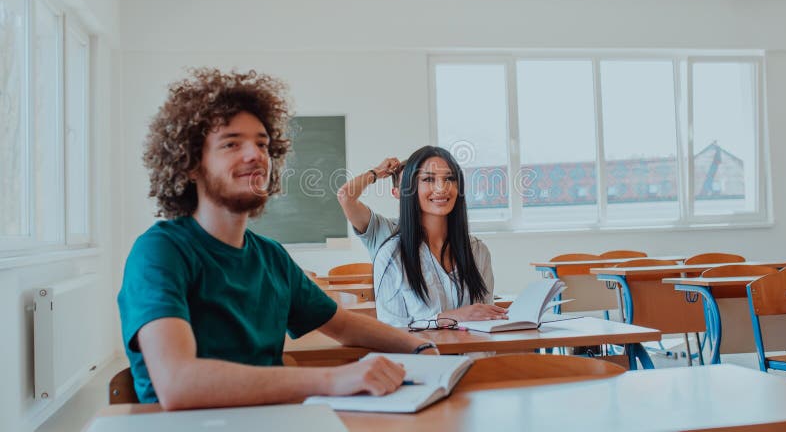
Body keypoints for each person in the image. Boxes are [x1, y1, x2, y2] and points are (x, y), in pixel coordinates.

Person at [117, 68, 437, 410]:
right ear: (190, 164)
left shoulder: (270, 257)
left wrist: (418, 348)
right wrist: (333, 380)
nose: (255, 155)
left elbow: (343, 326)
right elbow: (179, 384)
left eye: (262, 144)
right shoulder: (160, 252)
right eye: (231, 144)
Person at [373, 145, 508, 327]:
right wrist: (449, 317)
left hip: (476, 354)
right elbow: (392, 334)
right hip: (424, 355)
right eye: (429, 179)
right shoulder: (391, 256)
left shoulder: (477, 250)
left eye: (450, 178)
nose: (441, 188)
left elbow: (486, 319)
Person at [337, 157, 405, 260]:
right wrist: (376, 172)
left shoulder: (435, 231)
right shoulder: (381, 229)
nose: (415, 189)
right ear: (396, 192)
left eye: (421, 182)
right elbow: (345, 195)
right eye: (408, 184)